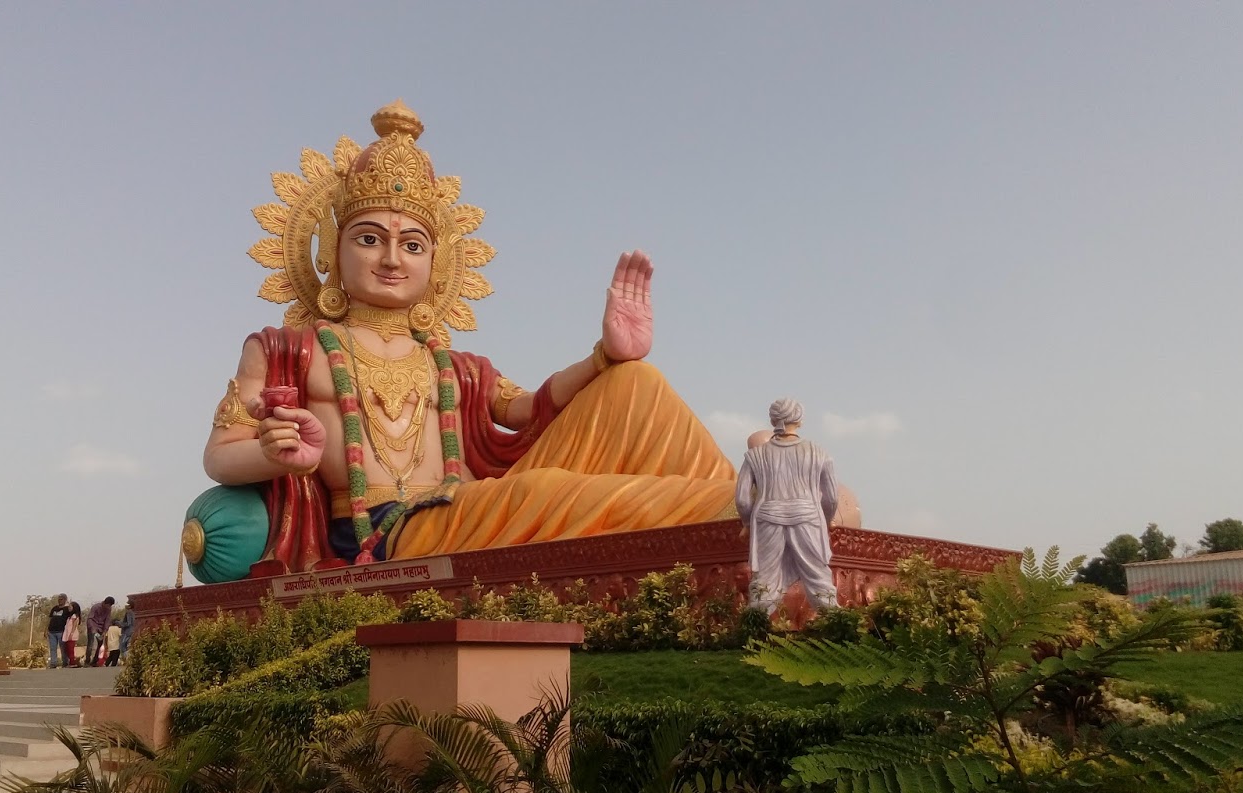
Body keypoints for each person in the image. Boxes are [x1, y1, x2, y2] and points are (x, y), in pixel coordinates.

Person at [199, 101, 738, 575]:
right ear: (331, 250)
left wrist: (605, 357)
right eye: (369, 239)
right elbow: (220, 457)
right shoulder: (285, 350)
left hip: (462, 506)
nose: (391, 259)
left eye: (412, 245)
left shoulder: (453, 367)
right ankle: (732, 510)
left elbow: (529, 410)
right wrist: (277, 454)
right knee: (537, 493)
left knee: (636, 381)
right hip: (383, 533)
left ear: (436, 263)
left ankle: (738, 501)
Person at [735, 398, 840, 614]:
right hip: (808, 518)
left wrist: (747, 523)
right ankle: (837, 622)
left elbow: (743, 499)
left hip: (767, 519)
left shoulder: (754, 456)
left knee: (764, 580)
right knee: (818, 577)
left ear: (773, 420)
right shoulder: (819, 453)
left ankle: (754, 624)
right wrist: (827, 519)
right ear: (799, 420)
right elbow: (831, 498)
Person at [46, 595, 73, 669]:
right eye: (59, 599)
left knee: (63, 648)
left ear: (65, 600)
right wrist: (46, 629)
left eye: (61, 599)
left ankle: (65, 662)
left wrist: (69, 604)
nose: (59, 601)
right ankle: (53, 663)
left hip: (61, 631)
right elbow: (49, 619)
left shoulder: (67, 609)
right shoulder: (54, 608)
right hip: (52, 631)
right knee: (53, 648)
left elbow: (72, 612)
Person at [86, 597, 115, 667]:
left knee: (100, 645)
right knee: (91, 645)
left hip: (101, 629)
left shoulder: (108, 609)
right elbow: (90, 619)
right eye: (108, 605)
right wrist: (93, 629)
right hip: (93, 627)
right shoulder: (95, 607)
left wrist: (105, 631)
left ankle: (94, 661)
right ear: (105, 603)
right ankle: (87, 661)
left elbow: (107, 620)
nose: (108, 607)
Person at [62, 601, 82, 667]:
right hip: (67, 634)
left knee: (70, 649)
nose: (69, 608)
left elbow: (74, 626)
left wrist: (71, 633)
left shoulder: (74, 616)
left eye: (70, 607)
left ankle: (72, 663)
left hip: (71, 634)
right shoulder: (69, 617)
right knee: (67, 649)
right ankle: (74, 660)